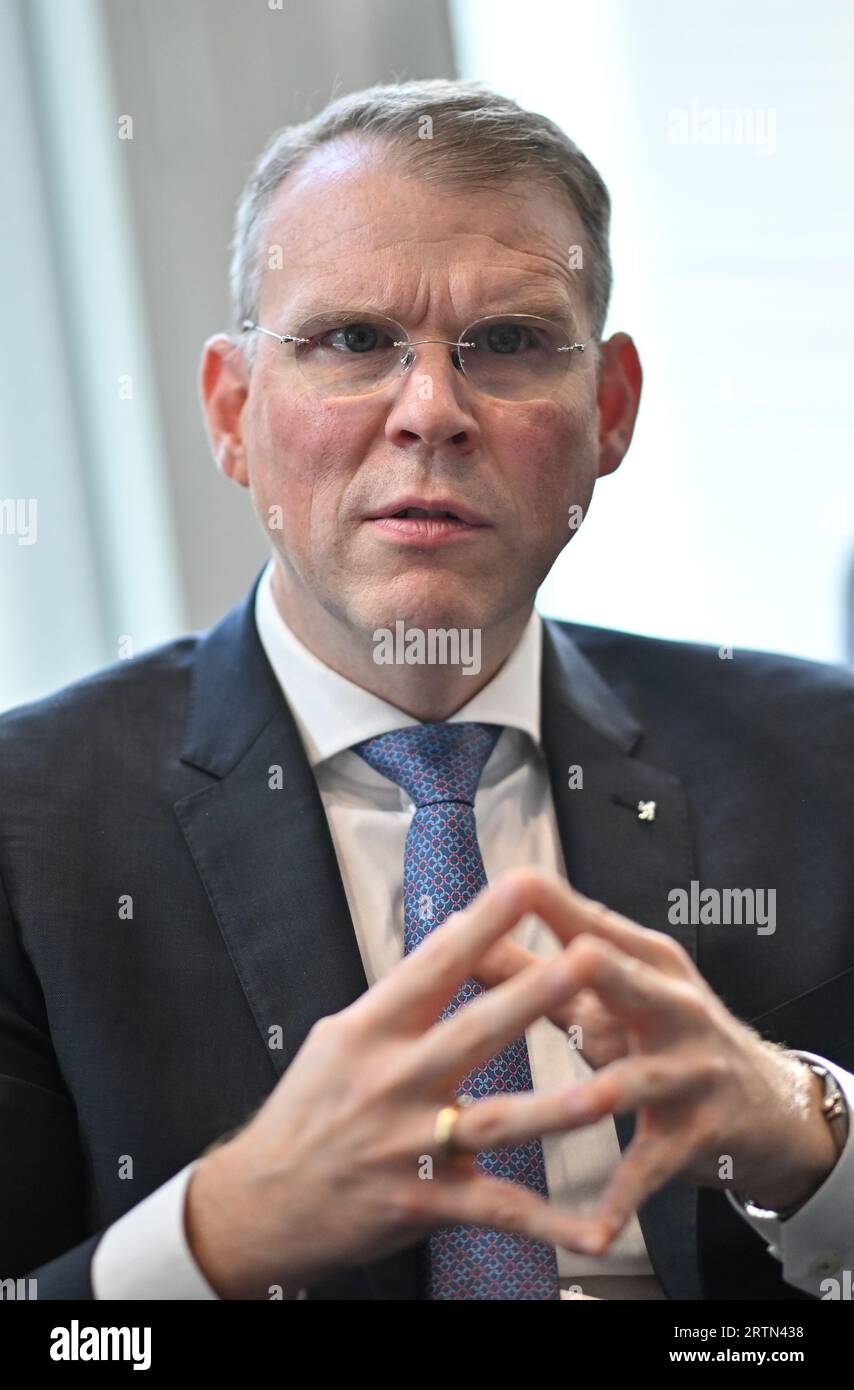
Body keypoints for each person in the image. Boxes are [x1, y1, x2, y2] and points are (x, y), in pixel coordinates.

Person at [2, 78, 852, 1303]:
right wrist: (216, 1233)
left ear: (607, 411)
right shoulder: (29, 835)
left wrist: (809, 1132)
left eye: (506, 343)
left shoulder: (823, 760)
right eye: (352, 341)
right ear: (232, 412)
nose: (431, 412)